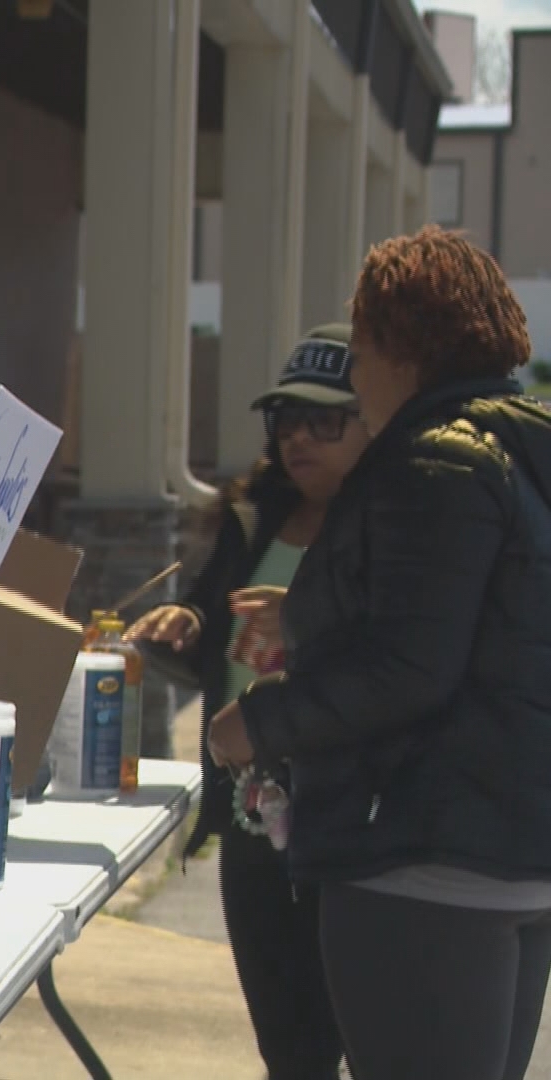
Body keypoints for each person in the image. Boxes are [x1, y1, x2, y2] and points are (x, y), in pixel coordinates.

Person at [208, 226, 551, 1080]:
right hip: (514, 857)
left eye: (359, 356)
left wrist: (257, 722)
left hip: (422, 861)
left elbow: (410, 667)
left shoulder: (435, 461)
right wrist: (306, 616)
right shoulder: (520, 453)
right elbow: (473, 623)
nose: (357, 385)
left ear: (402, 349)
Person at [129, 325, 364, 1080]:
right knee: (286, 1048)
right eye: (286, 419)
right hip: (250, 813)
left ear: (373, 420)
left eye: (323, 419)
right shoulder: (254, 517)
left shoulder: (389, 531)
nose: (299, 437)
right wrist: (185, 622)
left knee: (351, 1036)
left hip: (347, 817)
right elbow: (211, 611)